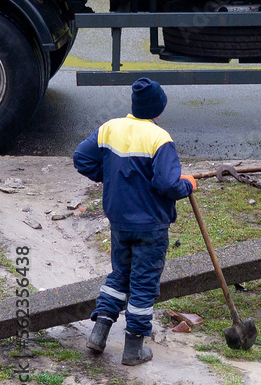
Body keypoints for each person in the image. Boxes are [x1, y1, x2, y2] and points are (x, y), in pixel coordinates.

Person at [73, 78, 196, 366]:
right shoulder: (159, 138)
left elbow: (82, 158)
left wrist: (110, 177)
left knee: (119, 276)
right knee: (143, 283)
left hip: (119, 222)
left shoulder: (110, 128)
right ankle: (133, 349)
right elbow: (167, 183)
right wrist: (187, 185)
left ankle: (99, 333)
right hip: (150, 226)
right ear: (159, 108)